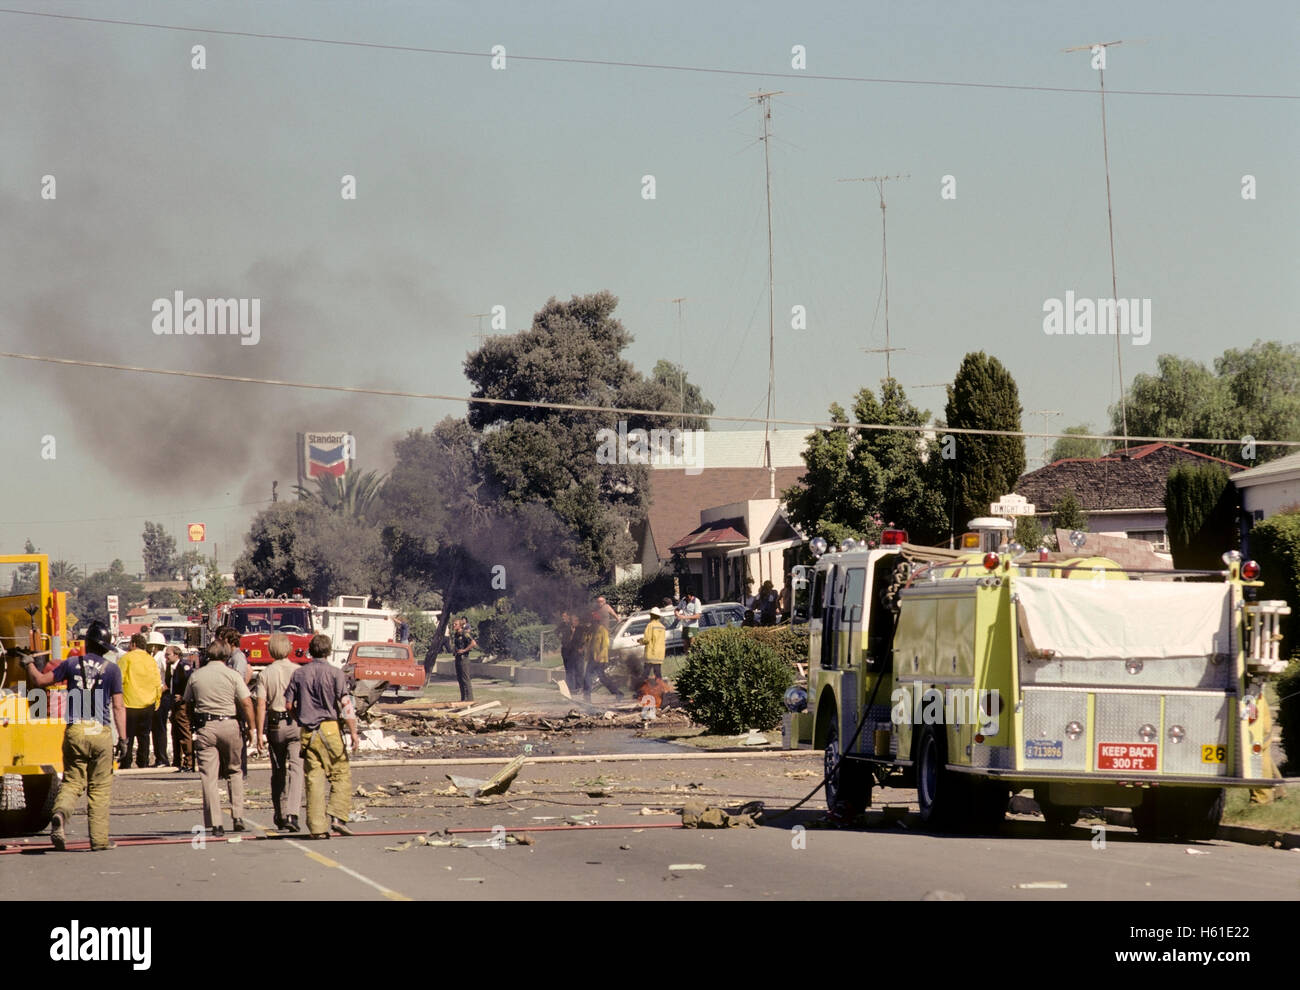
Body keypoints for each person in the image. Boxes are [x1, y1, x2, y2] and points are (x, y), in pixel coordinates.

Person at [21, 619, 126, 851]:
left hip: (75, 730)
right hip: (100, 732)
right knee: (99, 787)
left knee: (72, 781)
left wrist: (28, 663)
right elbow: (118, 706)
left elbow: (39, 680)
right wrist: (124, 739)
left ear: (87, 643)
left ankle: (60, 814)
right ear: (105, 648)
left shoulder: (70, 663)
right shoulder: (112, 670)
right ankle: (99, 840)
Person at [285, 634, 359, 840]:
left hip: (308, 732)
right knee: (341, 774)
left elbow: (288, 705)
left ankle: (317, 828)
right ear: (329, 651)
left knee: (314, 779)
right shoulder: (336, 674)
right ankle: (337, 817)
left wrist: (299, 719)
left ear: (311, 651)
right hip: (330, 729)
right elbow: (346, 705)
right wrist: (353, 732)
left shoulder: (299, 674)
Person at [183, 639, 254, 837]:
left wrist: (191, 725)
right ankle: (238, 816)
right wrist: (252, 728)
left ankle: (216, 823)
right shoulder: (232, 675)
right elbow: (246, 702)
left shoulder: (196, 676)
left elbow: (187, 703)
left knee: (209, 776)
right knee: (234, 770)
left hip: (206, 726)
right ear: (226, 656)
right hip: (230, 724)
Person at [254, 633, 303, 832]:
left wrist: (258, 733)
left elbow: (260, 704)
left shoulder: (265, 673)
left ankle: (280, 812)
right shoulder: (298, 671)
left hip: (275, 724)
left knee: (278, 770)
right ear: (289, 648)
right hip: (295, 722)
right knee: (297, 769)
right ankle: (293, 813)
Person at [118, 632, 162, 769]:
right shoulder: (151, 660)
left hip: (129, 702)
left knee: (128, 736)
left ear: (133, 644)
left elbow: (119, 679)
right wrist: (157, 701)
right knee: (144, 736)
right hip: (148, 703)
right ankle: (143, 762)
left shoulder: (127, 658)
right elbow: (157, 681)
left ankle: (126, 761)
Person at [582, 609, 623, 704]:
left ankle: (587, 696)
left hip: (600, 658)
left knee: (588, 675)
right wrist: (586, 632)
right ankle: (618, 693)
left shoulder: (602, 631)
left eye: (592, 622)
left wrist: (599, 656)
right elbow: (586, 642)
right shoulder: (591, 632)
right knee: (602, 678)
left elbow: (605, 646)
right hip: (592, 657)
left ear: (596, 621)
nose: (591, 623)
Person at [149, 635, 176, 767]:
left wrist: (164, 688)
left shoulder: (159, 657)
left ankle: (162, 758)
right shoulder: (158, 657)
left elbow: (168, 675)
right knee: (156, 728)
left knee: (159, 728)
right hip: (158, 695)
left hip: (161, 696)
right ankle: (159, 757)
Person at [171, 648, 198, 772]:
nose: (166, 658)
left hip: (182, 704)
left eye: (168, 655)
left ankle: (189, 762)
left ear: (176, 655)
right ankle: (178, 760)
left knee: (184, 732)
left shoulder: (183, 667)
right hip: (175, 704)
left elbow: (189, 682)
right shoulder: (173, 667)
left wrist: (183, 696)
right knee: (176, 732)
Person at [451, 618, 477, 702]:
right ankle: (463, 699)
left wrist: (465, 650)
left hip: (464, 658)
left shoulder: (465, 634)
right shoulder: (456, 634)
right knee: (460, 679)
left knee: (465, 679)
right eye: (453, 624)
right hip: (457, 658)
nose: (453, 625)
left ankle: (470, 699)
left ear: (460, 625)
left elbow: (473, 643)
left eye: (456, 624)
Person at [639, 607, 667, 682]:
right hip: (660, 654)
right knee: (658, 673)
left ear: (652, 615)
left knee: (646, 672)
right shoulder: (662, 627)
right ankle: (661, 688)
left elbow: (646, 640)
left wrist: (640, 641)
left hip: (651, 653)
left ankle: (642, 688)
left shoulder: (650, 625)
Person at [559, 611, 583, 696]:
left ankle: (578, 687)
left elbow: (578, 640)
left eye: (565, 616)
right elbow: (560, 635)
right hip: (567, 651)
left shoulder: (578, 629)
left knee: (577, 670)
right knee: (569, 671)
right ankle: (571, 688)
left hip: (575, 651)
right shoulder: (564, 627)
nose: (563, 618)